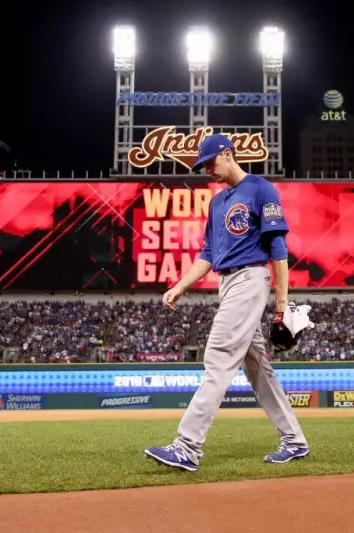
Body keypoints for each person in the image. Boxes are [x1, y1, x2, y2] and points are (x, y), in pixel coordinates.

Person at [143, 133, 309, 471]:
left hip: (251, 278)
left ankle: (187, 447)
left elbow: (277, 248)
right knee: (257, 368)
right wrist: (180, 286)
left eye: (209, 162)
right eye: (202, 166)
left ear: (228, 154)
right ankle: (295, 441)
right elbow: (207, 253)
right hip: (228, 283)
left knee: (218, 356)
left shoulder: (260, 188)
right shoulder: (217, 203)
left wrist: (281, 303)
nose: (206, 169)